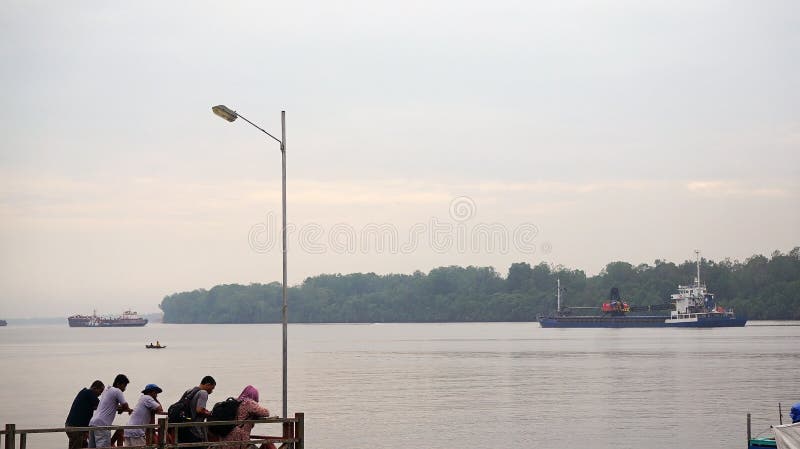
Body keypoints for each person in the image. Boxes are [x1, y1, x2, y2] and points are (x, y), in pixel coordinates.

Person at [88, 374, 133, 448]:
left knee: (92, 447)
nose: (124, 389)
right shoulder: (117, 391)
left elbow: (111, 405)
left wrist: (121, 408)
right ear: (118, 384)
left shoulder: (107, 390)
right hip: (102, 424)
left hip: (93, 422)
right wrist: (129, 410)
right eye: (124, 386)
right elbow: (125, 405)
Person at [65, 380, 105, 449]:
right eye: (100, 391)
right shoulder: (89, 393)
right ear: (94, 388)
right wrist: (117, 407)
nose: (100, 394)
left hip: (71, 426)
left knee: (81, 444)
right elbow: (102, 406)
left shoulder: (84, 393)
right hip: (76, 428)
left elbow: (96, 407)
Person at [177, 375, 216, 444]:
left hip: (184, 428)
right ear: (208, 385)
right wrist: (210, 413)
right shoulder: (203, 393)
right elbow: (199, 410)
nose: (211, 391)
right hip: (195, 430)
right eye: (212, 388)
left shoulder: (189, 391)